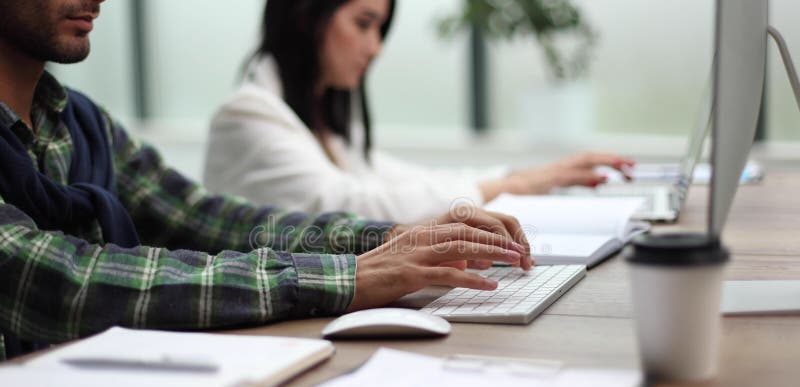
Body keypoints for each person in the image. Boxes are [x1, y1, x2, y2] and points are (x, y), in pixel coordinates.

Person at [0, 0, 533, 360]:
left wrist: (387, 240)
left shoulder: (80, 122)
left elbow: (207, 217)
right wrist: (343, 276)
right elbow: (63, 281)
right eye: (363, 22)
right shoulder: (250, 111)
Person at [203, 0, 636, 223]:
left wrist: (525, 178)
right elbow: (351, 206)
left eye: (380, 28)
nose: (376, 48)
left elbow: (404, 179)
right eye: (363, 23)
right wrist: (513, 184)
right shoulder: (246, 116)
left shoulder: (324, 122)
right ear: (306, 15)